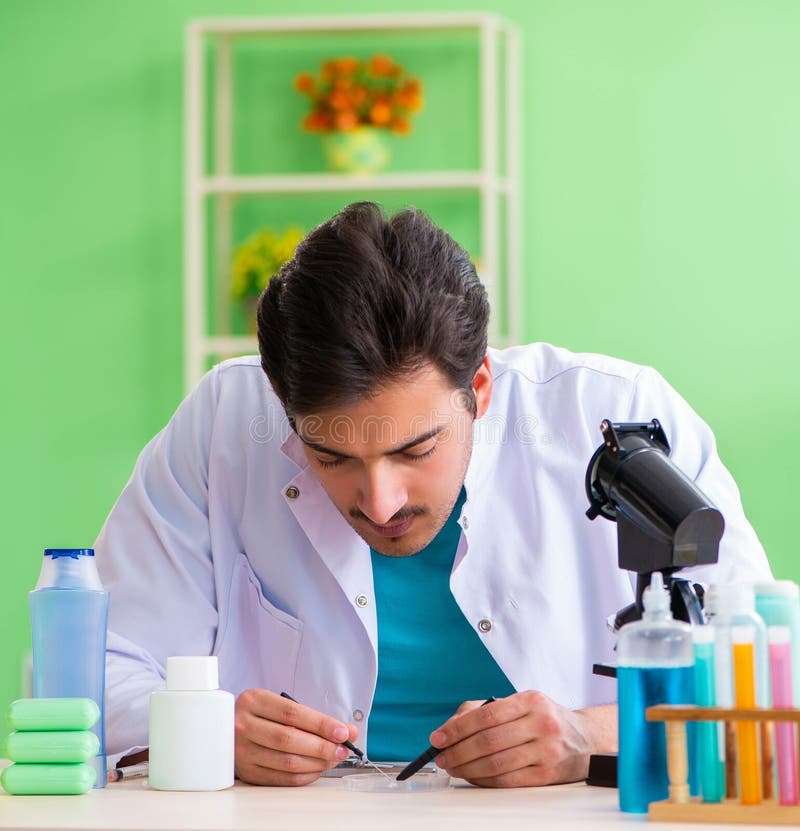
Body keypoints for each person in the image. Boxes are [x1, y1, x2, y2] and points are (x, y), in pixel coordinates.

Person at [95, 201, 771, 788]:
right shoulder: (223, 424)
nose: (381, 502)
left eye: (415, 450)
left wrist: (588, 733)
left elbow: (761, 674)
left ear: (479, 386)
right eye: (331, 456)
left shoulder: (619, 413)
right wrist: (202, 727)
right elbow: (97, 669)